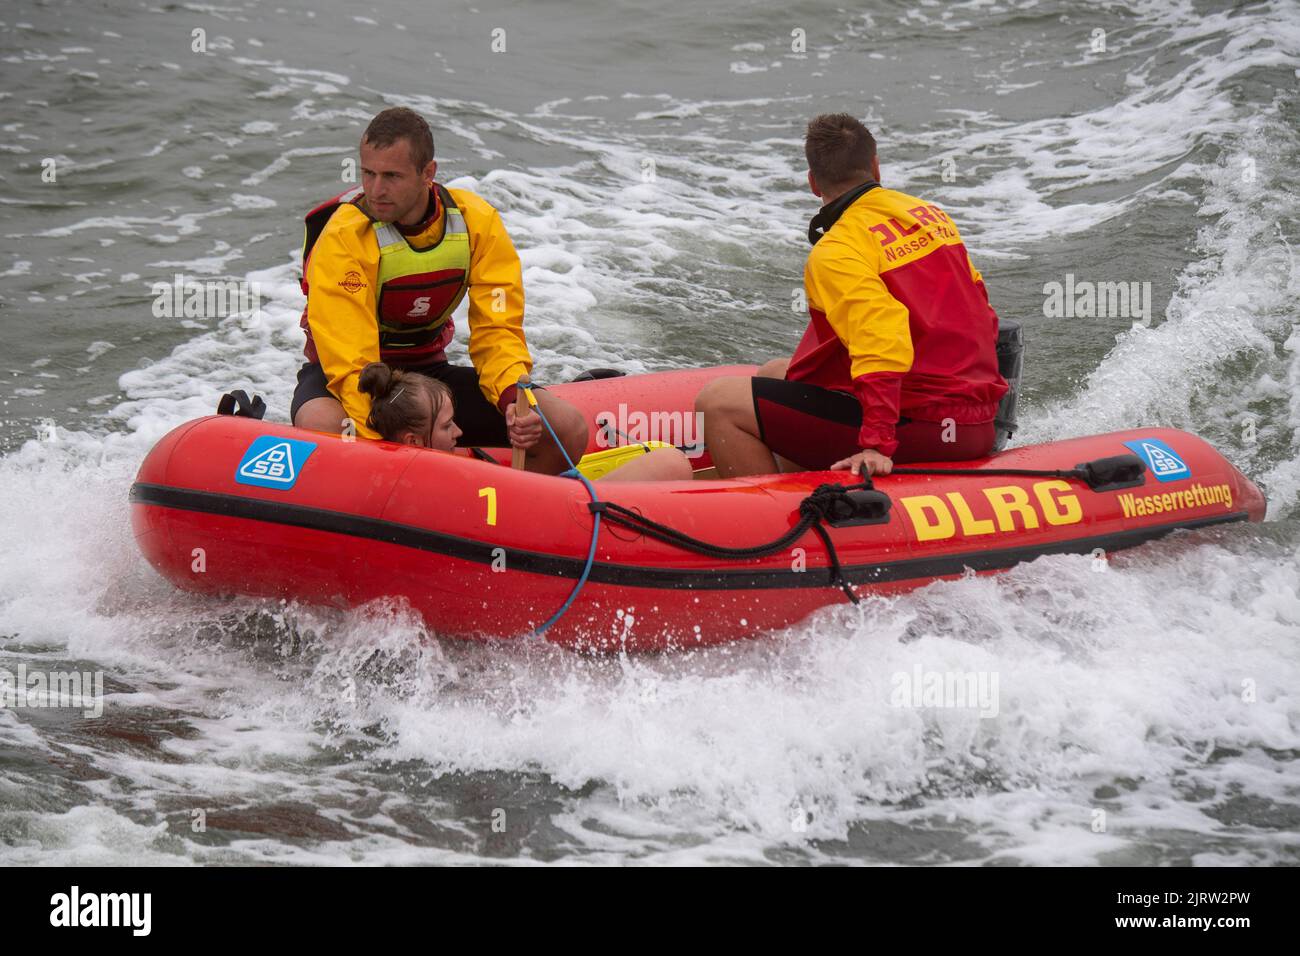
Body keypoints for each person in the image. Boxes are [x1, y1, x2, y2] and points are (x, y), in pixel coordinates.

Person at [695, 113, 1008, 478]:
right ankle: (809, 485)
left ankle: (764, 520)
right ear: (875, 166)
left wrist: (877, 443)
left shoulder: (836, 249)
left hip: (922, 427)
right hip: (977, 420)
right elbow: (983, 313)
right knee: (778, 373)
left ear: (813, 183)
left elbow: (882, 334)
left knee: (717, 403)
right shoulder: (930, 216)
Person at [290, 106, 588, 475]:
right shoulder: (343, 238)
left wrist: (512, 398)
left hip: (430, 375)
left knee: (565, 427)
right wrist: (403, 432)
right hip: (351, 382)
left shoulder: (477, 224)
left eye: (392, 176)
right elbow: (353, 366)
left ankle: (511, 519)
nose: (376, 190)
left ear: (427, 173)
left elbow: (498, 330)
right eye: (368, 173)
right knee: (326, 426)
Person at [357, 362, 693, 482]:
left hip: (543, 505)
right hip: (557, 518)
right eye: (447, 427)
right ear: (414, 441)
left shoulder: (456, 466)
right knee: (672, 462)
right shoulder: (446, 483)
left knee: (666, 458)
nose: (460, 432)